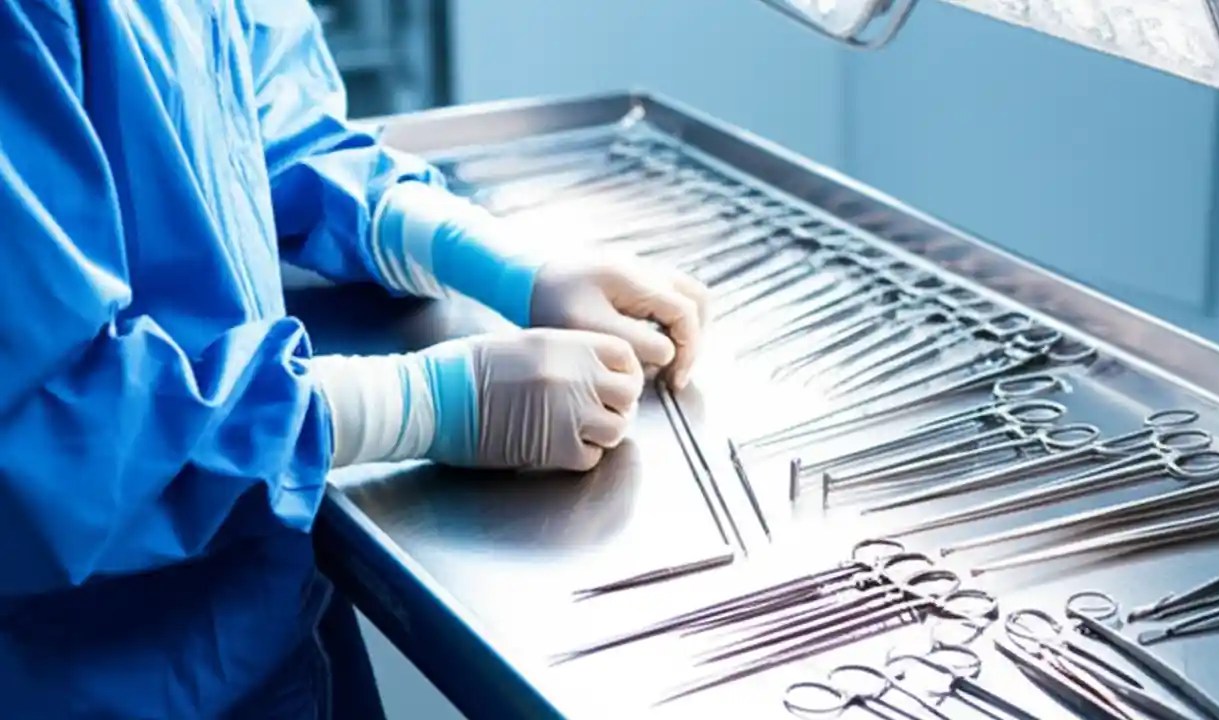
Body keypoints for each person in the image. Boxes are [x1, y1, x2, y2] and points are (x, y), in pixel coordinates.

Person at [0, 1, 709, 717]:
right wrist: (415, 405)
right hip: (94, 671)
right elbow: (36, 434)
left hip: (268, 629)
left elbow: (262, 119)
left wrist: (494, 261)